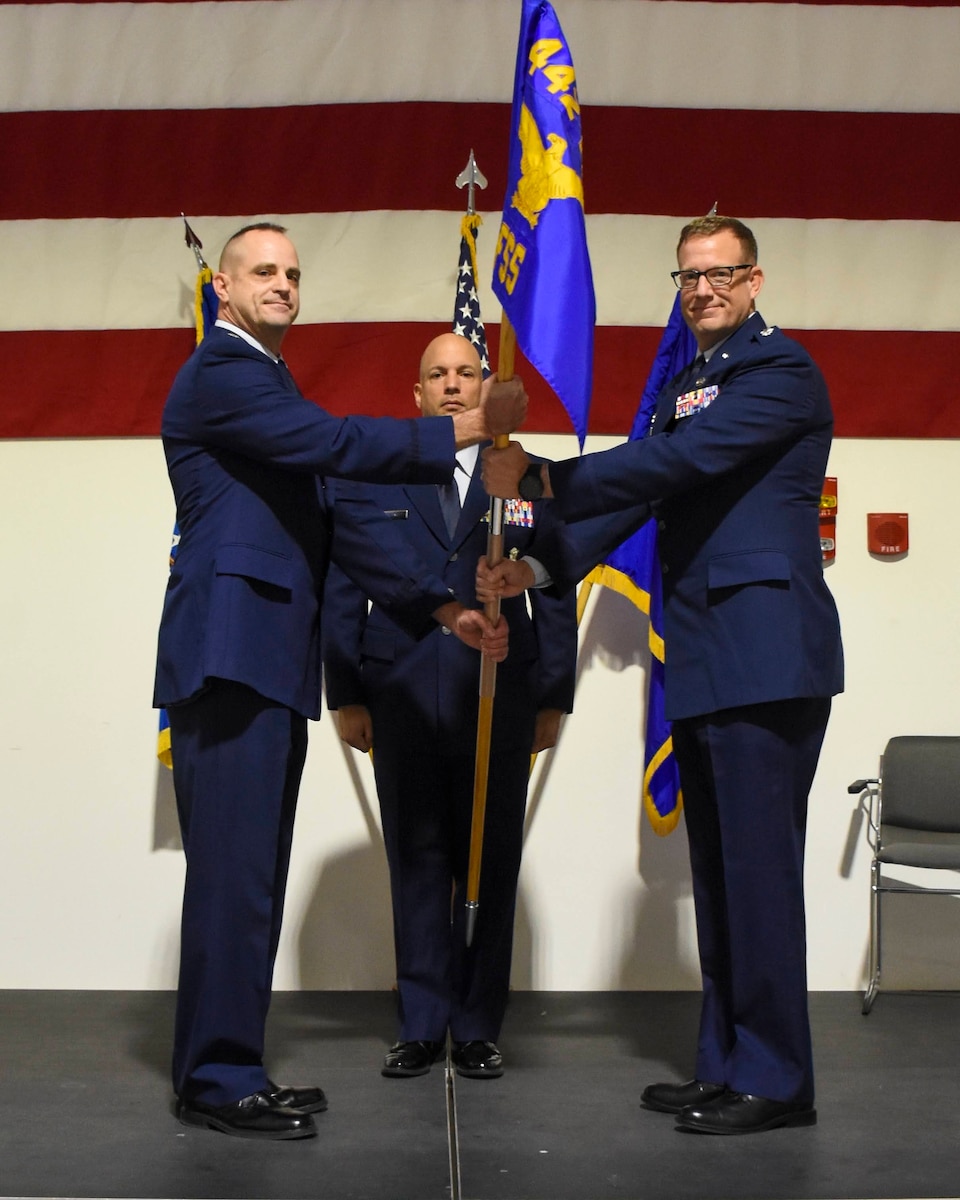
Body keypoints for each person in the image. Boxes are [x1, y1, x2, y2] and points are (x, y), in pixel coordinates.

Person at [153, 224, 526, 1140]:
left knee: (251, 881)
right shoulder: (224, 372)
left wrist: (440, 611)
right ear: (226, 289)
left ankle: (233, 1062)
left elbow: (341, 535)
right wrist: (466, 425)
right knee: (234, 880)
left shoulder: (267, 382)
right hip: (231, 653)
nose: (282, 284)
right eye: (263, 272)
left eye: (292, 272)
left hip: (263, 661)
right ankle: (215, 1076)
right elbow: (333, 443)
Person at [479, 216, 843, 1135]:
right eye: (688, 277)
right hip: (708, 652)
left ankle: (777, 1080)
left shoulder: (780, 374)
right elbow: (649, 491)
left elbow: (682, 461)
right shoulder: (689, 380)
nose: (703, 291)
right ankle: (727, 1064)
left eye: (722, 275)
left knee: (757, 876)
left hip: (765, 654)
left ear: (755, 281)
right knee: (721, 878)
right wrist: (538, 565)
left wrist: (547, 479)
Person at [321, 332, 578, 1081]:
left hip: (502, 694)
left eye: (468, 372)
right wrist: (347, 692)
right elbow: (346, 583)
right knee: (417, 858)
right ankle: (421, 1020)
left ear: (485, 387)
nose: (455, 385)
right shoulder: (377, 476)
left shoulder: (524, 476)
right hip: (398, 690)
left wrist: (554, 693)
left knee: (490, 859)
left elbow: (557, 581)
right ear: (418, 396)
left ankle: (475, 1026)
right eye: (438, 375)